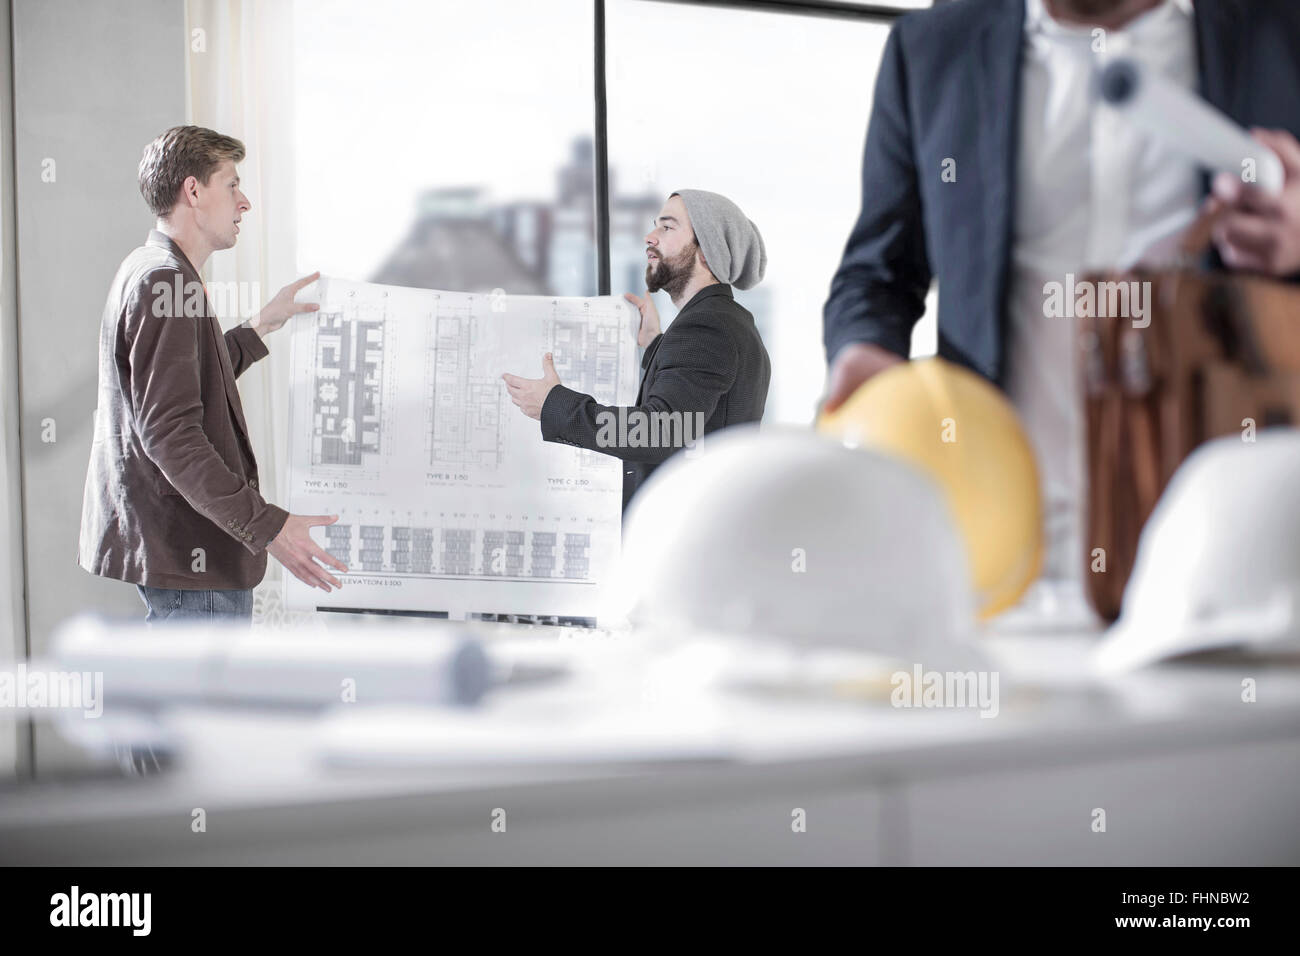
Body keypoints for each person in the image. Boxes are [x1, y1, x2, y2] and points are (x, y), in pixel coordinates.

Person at [821, 0, 1300, 608]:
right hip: (1000, 564)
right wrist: (864, 353)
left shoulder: (1281, 34)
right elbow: (876, 272)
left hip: (1242, 566)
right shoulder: (933, 48)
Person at [78, 125, 348, 624]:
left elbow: (182, 382)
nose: (244, 202)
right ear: (194, 191)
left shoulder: (153, 268)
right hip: (193, 562)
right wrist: (269, 527)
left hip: (184, 557)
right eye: (232, 185)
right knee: (200, 703)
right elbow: (172, 435)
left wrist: (262, 324)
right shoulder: (167, 280)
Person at [502, 189, 772, 510]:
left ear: (707, 250)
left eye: (667, 228)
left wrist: (554, 405)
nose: (650, 237)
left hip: (684, 540)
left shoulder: (706, 326)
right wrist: (656, 343)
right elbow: (698, 412)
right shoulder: (726, 322)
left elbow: (660, 431)